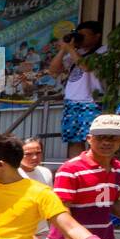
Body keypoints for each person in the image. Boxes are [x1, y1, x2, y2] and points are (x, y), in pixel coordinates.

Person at [48, 20, 107, 157]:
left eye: (84, 35)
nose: (80, 38)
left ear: (97, 36)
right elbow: (53, 70)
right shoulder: (75, 53)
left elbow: (87, 67)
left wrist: (70, 49)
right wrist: (63, 49)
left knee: (95, 138)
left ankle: (95, 169)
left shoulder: (103, 51)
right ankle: (77, 170)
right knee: (74, 139)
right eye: (78, 35)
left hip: (92, 102)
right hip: (71, 102)